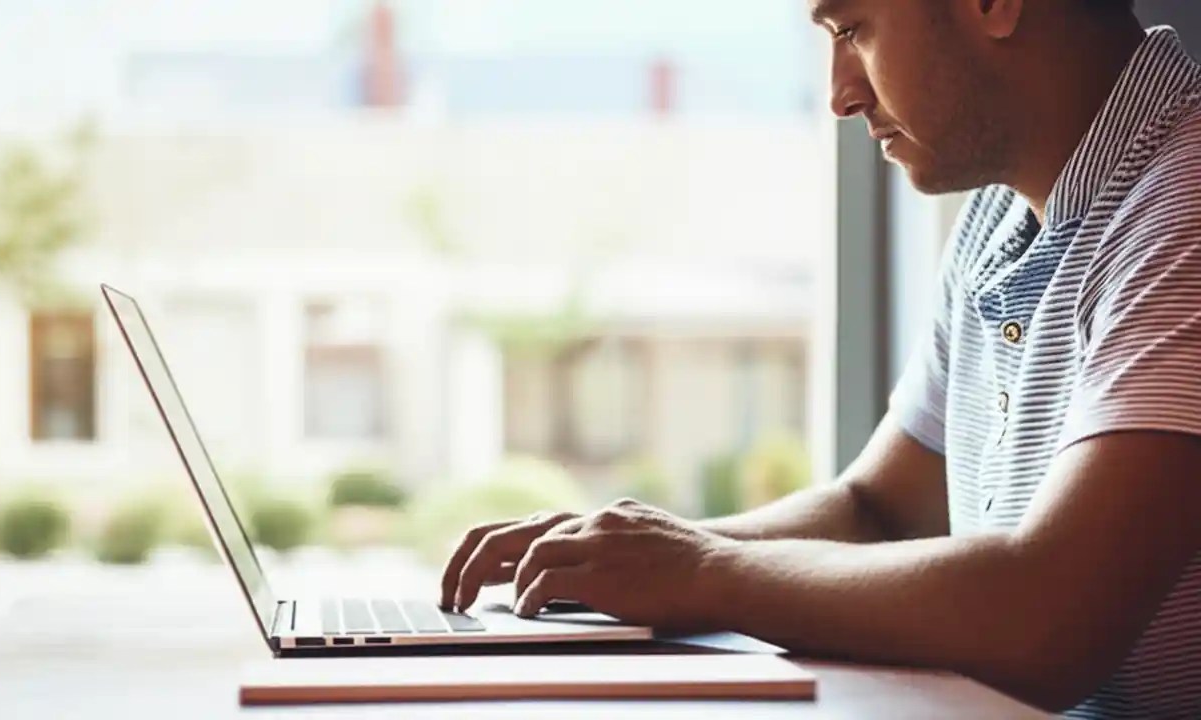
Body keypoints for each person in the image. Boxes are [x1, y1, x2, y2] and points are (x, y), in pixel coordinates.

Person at [439, 1, 1201, 716]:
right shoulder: (1003, 214)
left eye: (852, 29)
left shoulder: (1186, 200)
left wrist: (703, 573)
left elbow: (1049, 617)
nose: (840, 95)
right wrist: (626, 559)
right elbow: (880, 512)